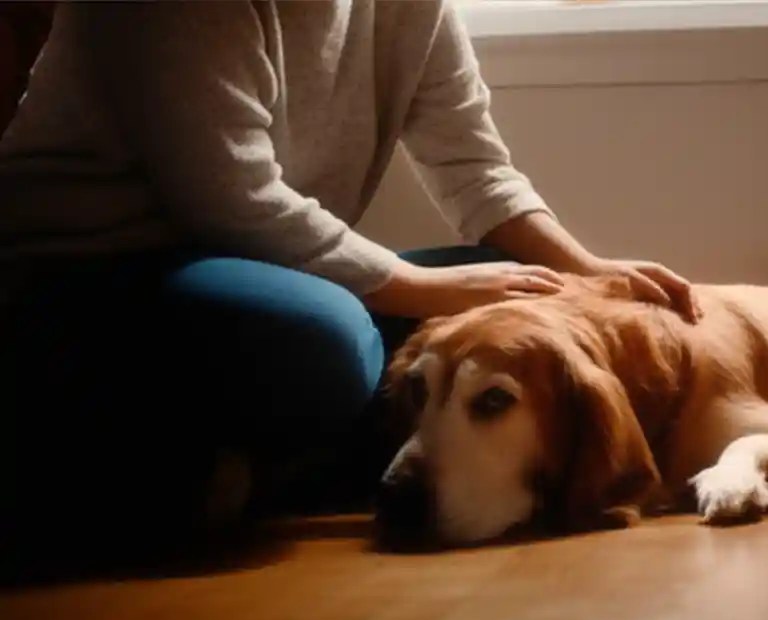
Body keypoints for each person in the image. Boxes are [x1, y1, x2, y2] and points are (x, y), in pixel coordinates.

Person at [0, 1, 698, 545]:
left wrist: (585, 274)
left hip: (261, 263)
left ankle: (256, 463)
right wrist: (419, 287)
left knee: (517, 305)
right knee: (327, 342)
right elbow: (231, 199)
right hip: (92, 270)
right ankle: (135, 464)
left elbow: (473, 167)